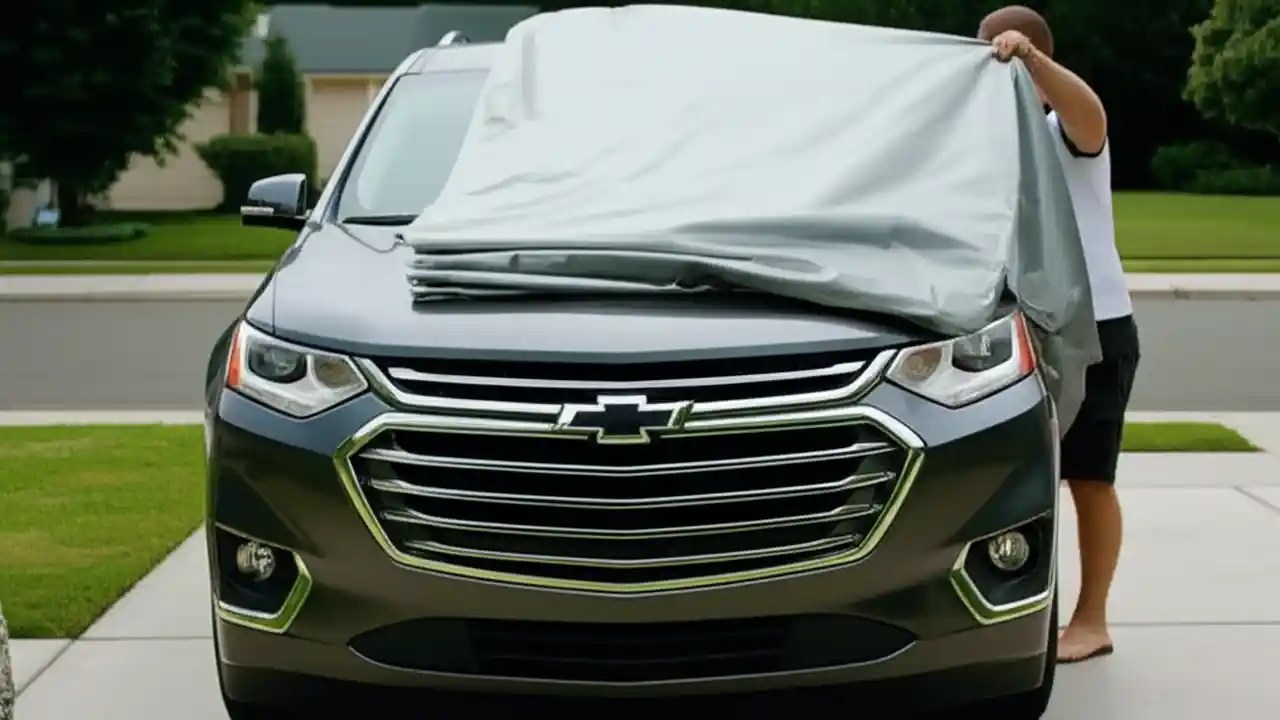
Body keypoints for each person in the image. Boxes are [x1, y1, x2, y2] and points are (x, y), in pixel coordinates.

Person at [979, 6, 1141, 664]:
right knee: (1020, 481)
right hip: (1026, 335)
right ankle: (1018, 612)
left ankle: (1092, 620)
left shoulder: (1065, 132)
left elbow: (1090, 114)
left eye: (1003, 60)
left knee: (1090, 479)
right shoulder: (994, 150)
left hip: (1097, 331)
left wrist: (1032, 61)